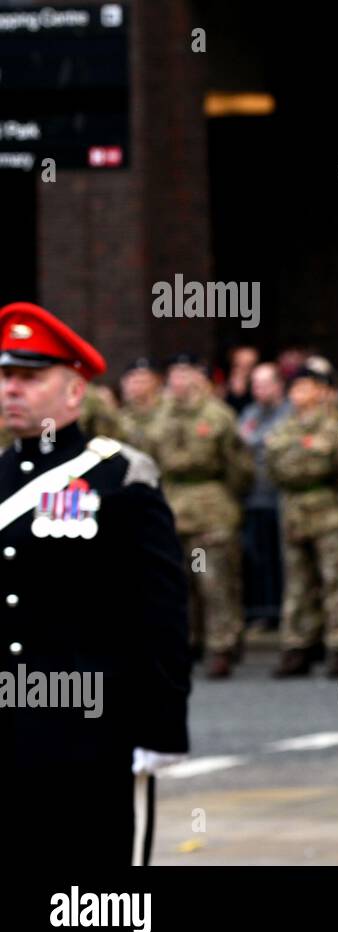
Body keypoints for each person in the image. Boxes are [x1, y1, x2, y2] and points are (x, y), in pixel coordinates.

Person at [0, 302, 190, 864]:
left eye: (30, 378)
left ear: (74, 392)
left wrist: (162, 725)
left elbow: (161, 610)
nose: (12, 389)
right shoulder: (1, 478)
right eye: (7, 376)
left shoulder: (119, 477)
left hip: (87, 727)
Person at [144, 354, 254, 678]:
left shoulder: (217, 416)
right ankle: (186, 641)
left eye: (186, 373)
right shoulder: (158, 417)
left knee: (214, 581)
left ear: (199, 378)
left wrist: (227, 501)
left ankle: (222, 644)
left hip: (209, 510)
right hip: (171, 506)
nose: (179, 381)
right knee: (178, 584)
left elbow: (238, 467)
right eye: (174, 373)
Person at [265, 362, 338, 677]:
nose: (299, 394)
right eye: (295, 388)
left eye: (306, 387)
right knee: (297, 583)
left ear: (321, 391)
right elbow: (272, 466)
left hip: (328, 508)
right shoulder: (284, 426)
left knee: (335, 581)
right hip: (294, 510)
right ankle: (298, 645)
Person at [237, 363, 292, 632]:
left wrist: (257, 442)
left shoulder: (290, 412)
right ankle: (264, 612)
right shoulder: (250, 412)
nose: (258, 390)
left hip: (282, 498)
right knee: (259, 558)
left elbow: (272, 444)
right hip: (254, 497)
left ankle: (284, 613)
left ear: (279, 385)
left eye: (264, 383)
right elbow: (242, 443)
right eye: (254, 384)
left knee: (284, 559)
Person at [118, 356, 164, 449]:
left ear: (157, 382)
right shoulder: (121, 415)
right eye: (134, 380)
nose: (138, 385)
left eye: (144, 380)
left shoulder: (170, 412)